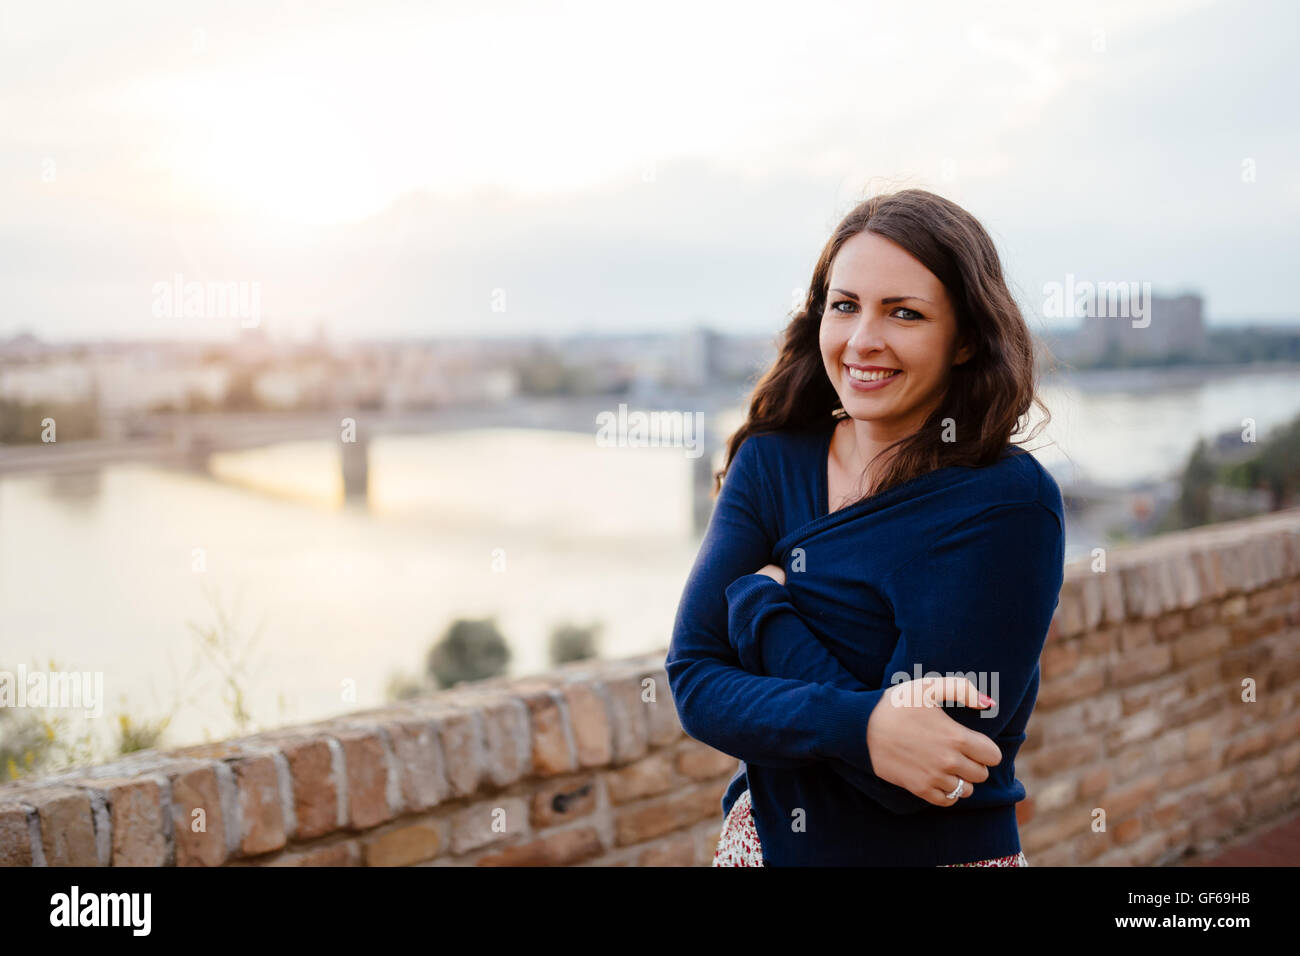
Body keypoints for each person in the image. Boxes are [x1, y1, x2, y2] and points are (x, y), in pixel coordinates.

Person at [665, 188, 1066, 866]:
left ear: (965, 339)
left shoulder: (1007, 505)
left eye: (903, 313)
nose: (862, 341)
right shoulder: (771, 459)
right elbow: (697, 683)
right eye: (844, 305)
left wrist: (763, 607)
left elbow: (928, 771)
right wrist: (868, 721)